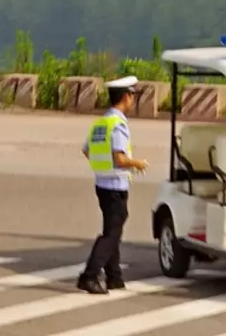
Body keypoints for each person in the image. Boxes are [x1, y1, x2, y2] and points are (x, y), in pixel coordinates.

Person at [77, 75, 149, 294]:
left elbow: (87, 150)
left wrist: (102, 168)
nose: (133, 101)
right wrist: (138, 163)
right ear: (126, 97)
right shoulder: (118, 125)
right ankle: (89, 276)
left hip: (102, 184)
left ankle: (114, 276)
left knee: (112, 230)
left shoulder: (101, 123)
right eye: (132, 96)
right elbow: (119, 158)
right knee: (111, 234)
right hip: (116, 187)